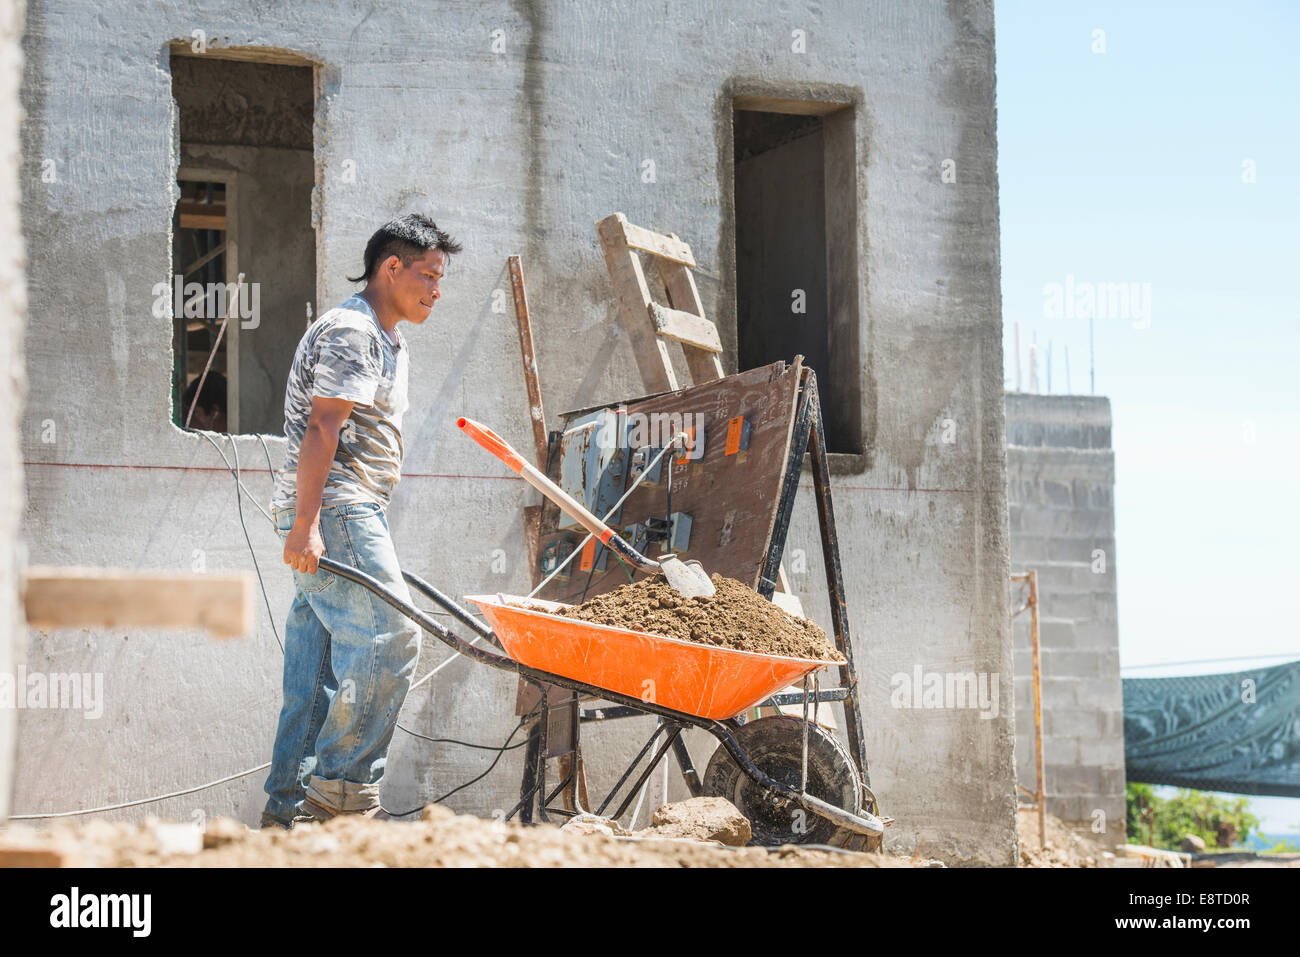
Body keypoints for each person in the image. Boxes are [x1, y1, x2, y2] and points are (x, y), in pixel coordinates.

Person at [261, 213, 462, 828]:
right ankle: (342, 799)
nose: (435, 291)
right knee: (392, 637)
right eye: (428, 275)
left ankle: (287, 814)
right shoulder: (353, 331)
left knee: (319, 664)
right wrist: (307, 522)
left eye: (441, 279)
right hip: (336, 504)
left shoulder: (386, 337)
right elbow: (324, 427)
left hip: (344, 505)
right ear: (390, 267)